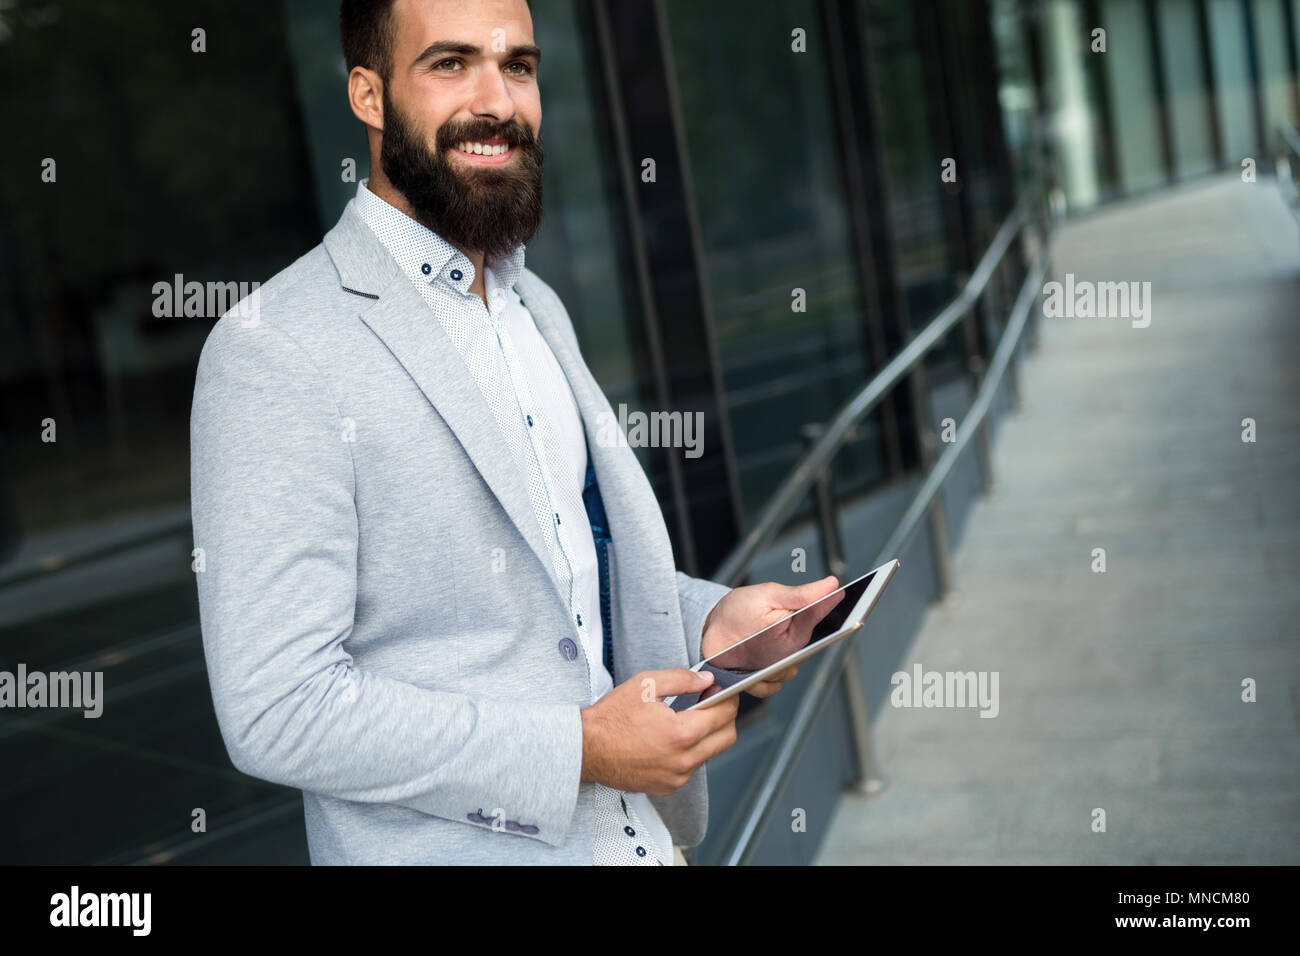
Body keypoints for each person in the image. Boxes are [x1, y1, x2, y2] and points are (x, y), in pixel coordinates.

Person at [189, 0, 839, 865]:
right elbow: (278, 708)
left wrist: (709, 619)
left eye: (519, 66)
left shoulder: (536, 305)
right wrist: (578, 749)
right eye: (450, 64)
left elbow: (567, 570)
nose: (497, 101)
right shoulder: (272, 349)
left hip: (647, 843)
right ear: (368, 94)